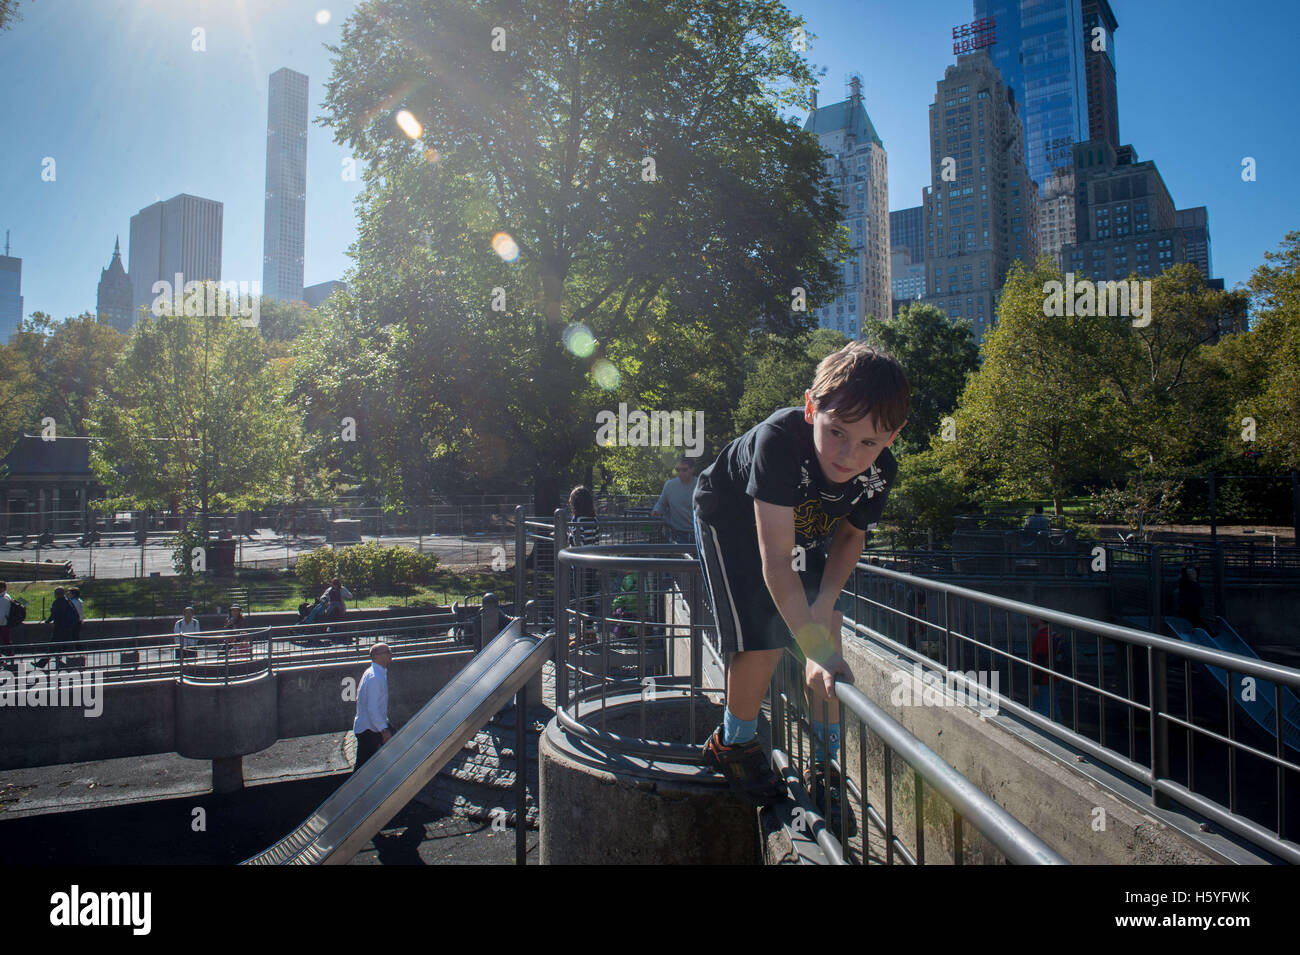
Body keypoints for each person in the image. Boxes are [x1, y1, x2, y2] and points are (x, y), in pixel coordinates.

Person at [693, 341, 907, 808]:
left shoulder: (879, 473)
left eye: (869, 442)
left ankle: (825, 762)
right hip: (730, 517)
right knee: (764, 638)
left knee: (828, 638)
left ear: (892, 437)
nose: (849, 455)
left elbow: (851, 538)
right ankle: (734, 743)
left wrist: (822, 614)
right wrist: (805, 641)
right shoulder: (778, 441)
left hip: (800, 524)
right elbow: (774, 562)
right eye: (837, 433)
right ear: (812, 408)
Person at [352, 642, 393, 773]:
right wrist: (384, 730)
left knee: (365, 768)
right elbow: (373, 708)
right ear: (376, 656)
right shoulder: (375, 677)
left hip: (369, 727)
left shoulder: (374, 672)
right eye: (387, 652)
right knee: (362, 770)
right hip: (369, 729)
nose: (391, 654)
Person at [652, 456, 698, 546]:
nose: (680, 473)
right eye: (678, 469)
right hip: (677, 533)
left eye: (684, 469)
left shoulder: (701, 485)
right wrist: (656, 510)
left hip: (698, 533)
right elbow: (662, 503)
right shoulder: (669, 485)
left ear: (692, 469)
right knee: (680, 559)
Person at [35, 587, 80, 670]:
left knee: (53, 645)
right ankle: (55, 660)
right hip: (68, 626)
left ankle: (43, 662)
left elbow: (54, 614)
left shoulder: (57, 603)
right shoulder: (67, 601)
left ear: (56, 594)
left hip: (59, 627)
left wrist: (47, 621)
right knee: (62, 644)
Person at [1175, 566, 1214, 635]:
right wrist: (1184, 568)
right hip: (1188, 606)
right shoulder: (1185, 583)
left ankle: (1208, 633)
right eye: (1191, 573)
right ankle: (1210, 633)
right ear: (1188, 575)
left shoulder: (1195, 582)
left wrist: (1197, 567)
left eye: (1194, 573)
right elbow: (1184, 576)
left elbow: (1197, 573)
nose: (1194, 574)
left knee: (1196, 620)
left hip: (1194, 605)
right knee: (1196, 620)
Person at [0, 581, 13, 659]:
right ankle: (9, 657)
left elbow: (2, 612)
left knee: (6, 641)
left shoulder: (4, 598)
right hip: (5, 623)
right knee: (6, 641)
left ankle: (8, 657)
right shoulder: (7, 596)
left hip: (2, 623)